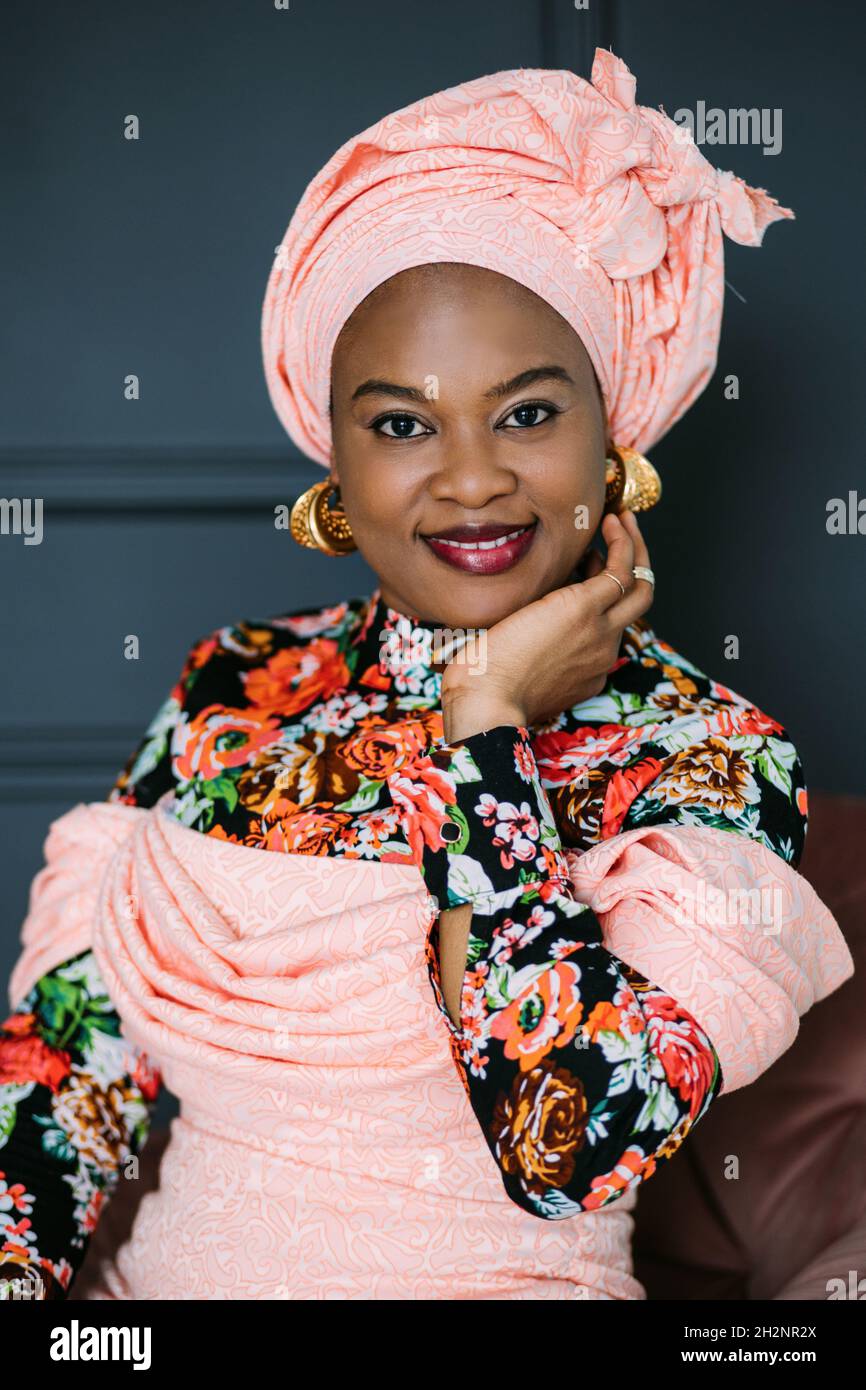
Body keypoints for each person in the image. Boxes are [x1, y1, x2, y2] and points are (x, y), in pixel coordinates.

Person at [0, 48, 853, 1302]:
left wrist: (485, 726)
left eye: (525, 414)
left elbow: (563, 1139)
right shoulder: (237, 686)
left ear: (610, 436)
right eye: (401, 423)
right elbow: (61, 1079)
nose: (468, 480)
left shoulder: (705, 749)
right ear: (331, 460)